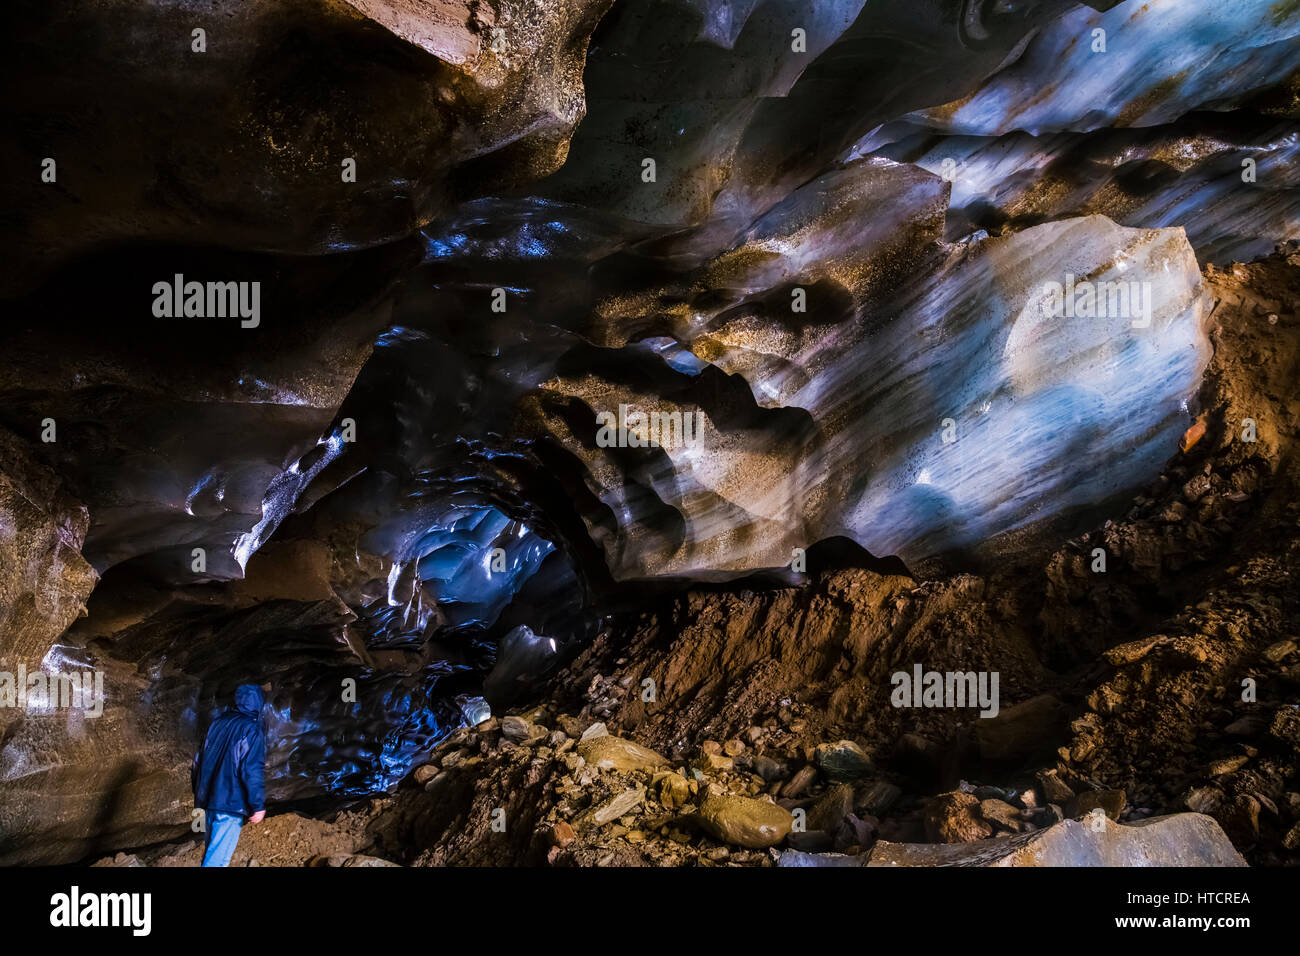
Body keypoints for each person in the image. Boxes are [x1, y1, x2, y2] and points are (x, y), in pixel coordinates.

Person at [191, 683, 267, 867]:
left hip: (210, 801)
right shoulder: (251, 729)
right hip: (231, 804)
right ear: (258, 703)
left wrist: (200, 797)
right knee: (218, 860)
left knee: (212, 853)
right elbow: (251, 769)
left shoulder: (217, 724)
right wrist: (257, 805)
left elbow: (198, 763)